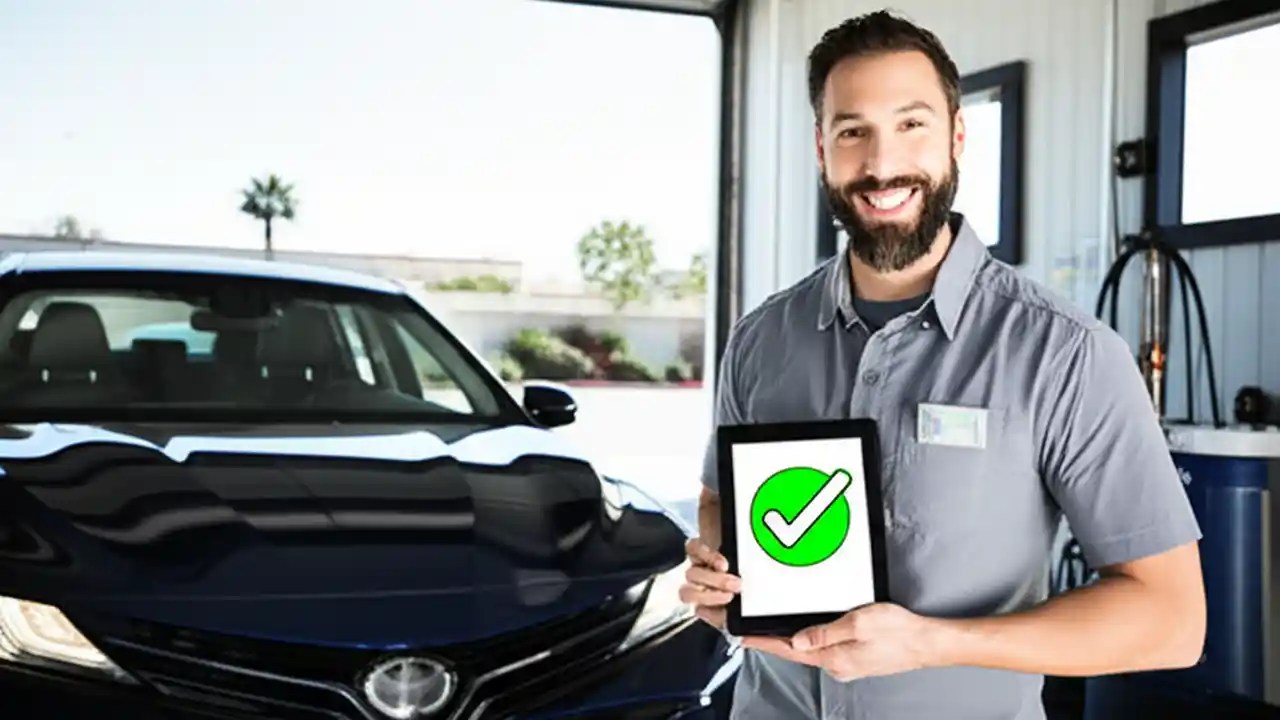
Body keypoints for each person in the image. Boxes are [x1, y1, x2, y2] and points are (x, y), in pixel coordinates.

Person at [678, 9, 1206, 720]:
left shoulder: (1066, 355)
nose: (881, 163)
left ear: (957, 137)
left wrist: (934, 642)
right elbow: (719, 502)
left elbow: (1172, 620)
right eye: (852, 130)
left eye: (911, 124)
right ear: (820, 148)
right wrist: (717, 568)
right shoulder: (759, 339)